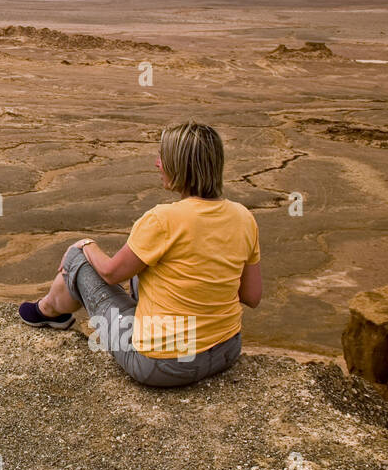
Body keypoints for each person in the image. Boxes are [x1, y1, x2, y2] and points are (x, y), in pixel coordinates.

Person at [18, 121, 262, 387]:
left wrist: (86, 244)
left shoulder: (163, 219)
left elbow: (111, 273)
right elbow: (251, 296)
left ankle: (48, 310)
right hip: (226, 350)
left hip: (164, 364)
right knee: (146, 270)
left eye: (163, 158)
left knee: (79, 259)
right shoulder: (244, 217)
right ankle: (56, 311)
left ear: (181, 166)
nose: (157, 164)